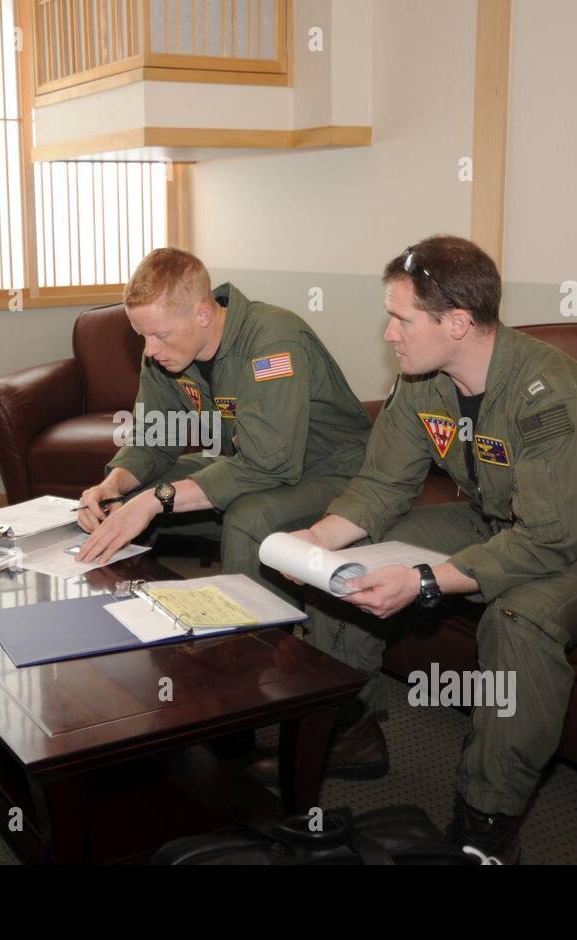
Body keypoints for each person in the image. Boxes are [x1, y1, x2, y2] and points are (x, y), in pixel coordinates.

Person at [273, 235, 577, 862]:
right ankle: (350, 725)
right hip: (498, 517)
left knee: (521, 618)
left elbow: (548, 538)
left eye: (401, 319)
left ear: (457, 322)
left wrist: (426, 581)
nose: (389, 335)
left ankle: (486, 823)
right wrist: (316, 540)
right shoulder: (425, 383)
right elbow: (380, 484)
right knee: (348, 558)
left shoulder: (548, 395)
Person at [74, 247, 385, 778]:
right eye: (140, 336)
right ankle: (170, 659)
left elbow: (273, 462)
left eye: (159, 336)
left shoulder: (273, 340)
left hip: (333, 471)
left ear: (202, 314)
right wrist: (115, 484)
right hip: (258, 464)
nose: (149, 351)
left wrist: (161, 499)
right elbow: (153, 440)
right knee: (129, 506)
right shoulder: (169, 353)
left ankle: (244, 706)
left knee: (247, 520)